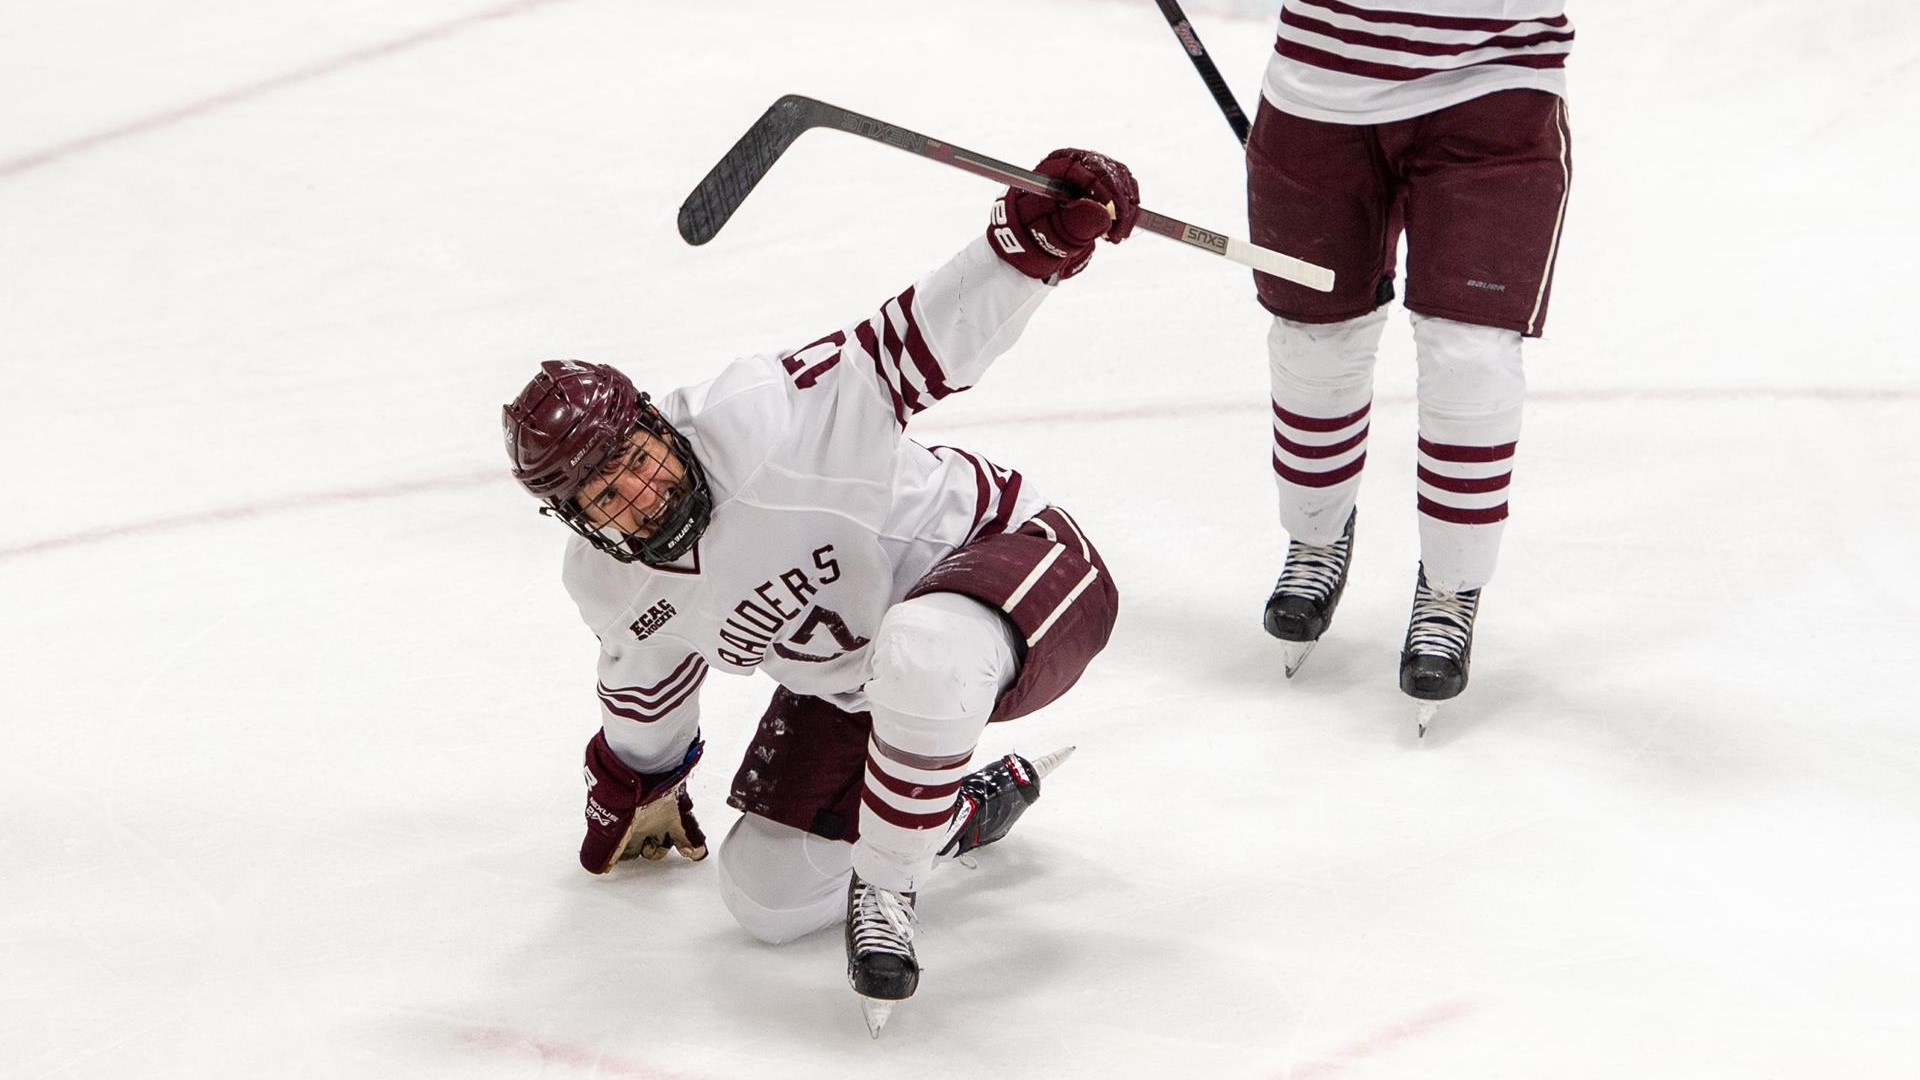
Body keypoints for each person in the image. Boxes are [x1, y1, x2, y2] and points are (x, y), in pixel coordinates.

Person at [501, 149, 1138, 1029]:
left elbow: (906, 343)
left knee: (925, 649)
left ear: (657, 423)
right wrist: (634, 780)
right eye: (609, 494)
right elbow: (644, 686)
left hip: (1022, 571)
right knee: (763, 897)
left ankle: (888, 889)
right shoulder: (611, 583)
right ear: (579, 521)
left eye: (638, 461)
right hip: (874, 686)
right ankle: (956, 812)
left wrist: (1028, 243)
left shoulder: (761, 416)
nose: (642, 492)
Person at [1245, 1, 1574, 708]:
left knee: (1472, 355)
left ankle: (1452, 588)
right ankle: (1315, 539)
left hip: (1495, 91)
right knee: (1314, 336)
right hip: (1318, 86)